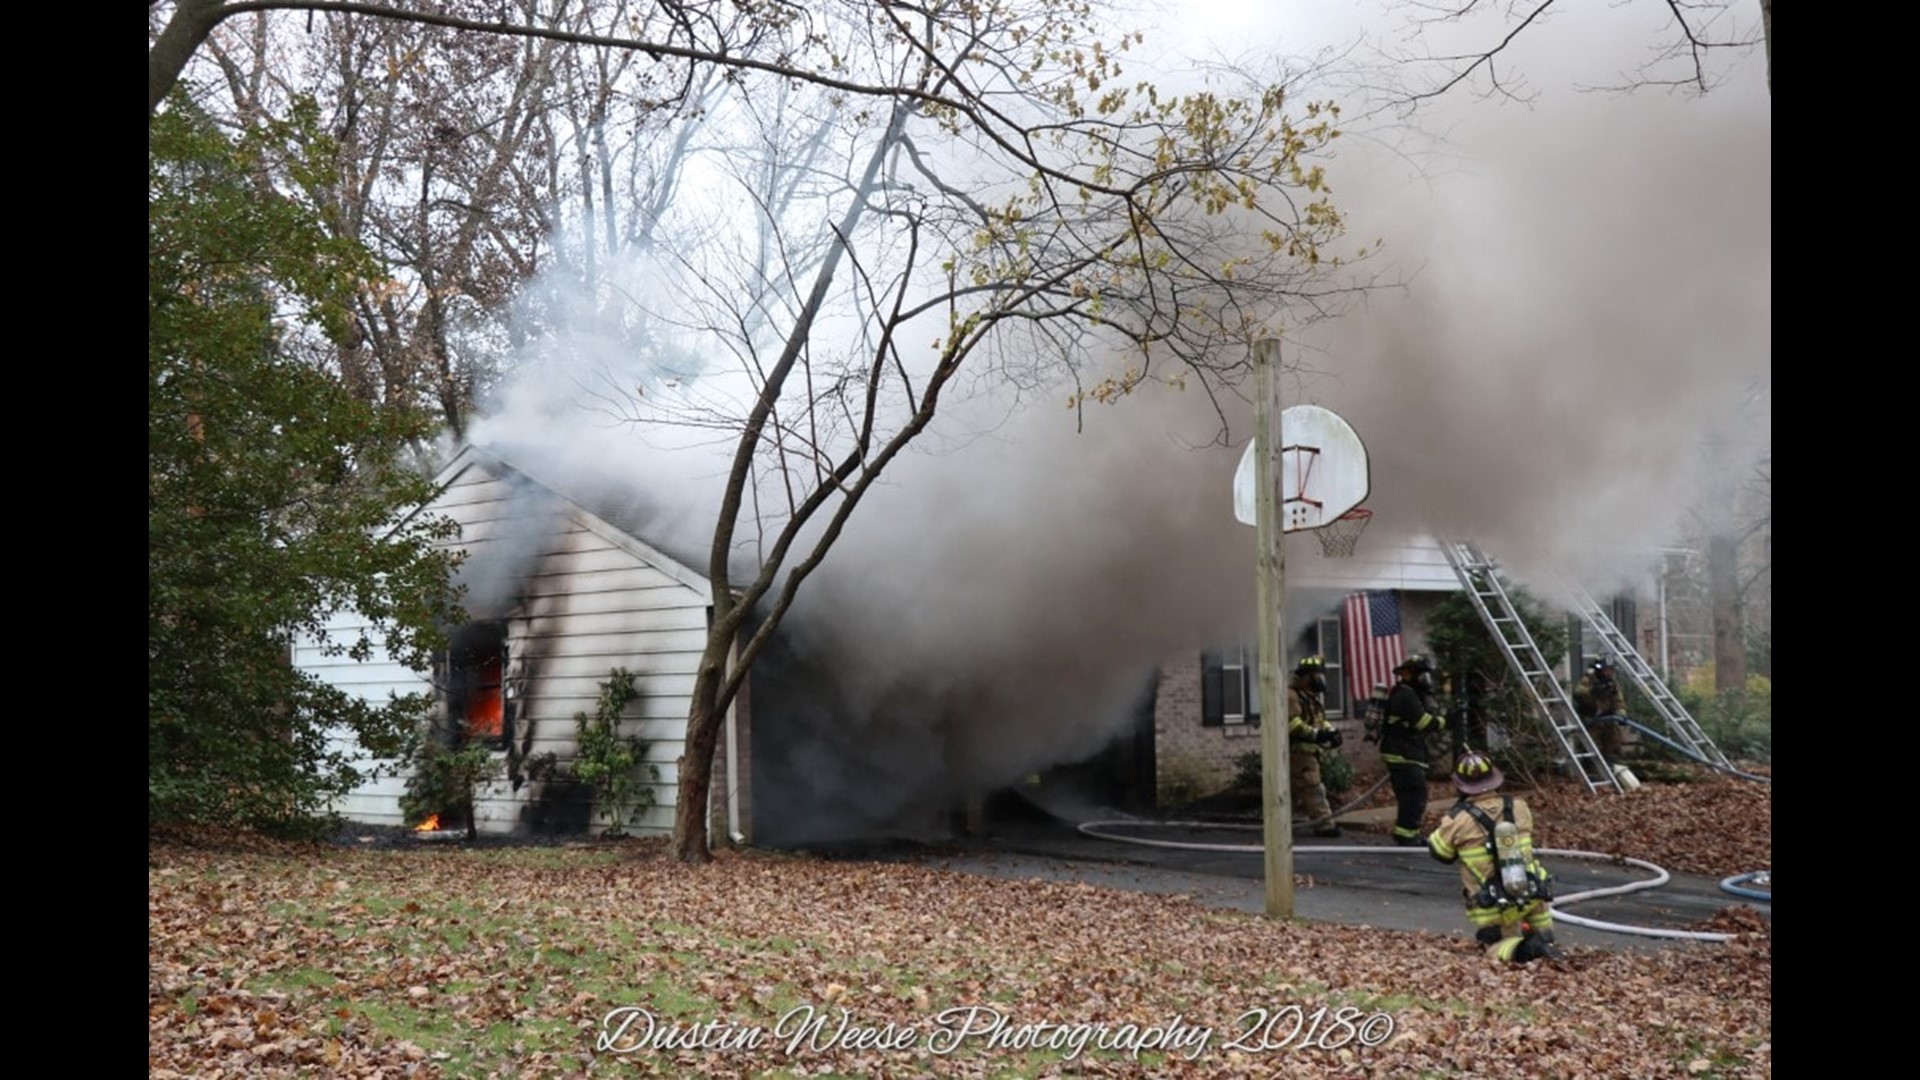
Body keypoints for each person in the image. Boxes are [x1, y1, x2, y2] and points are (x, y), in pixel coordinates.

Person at [1427, 751, 1562, 964]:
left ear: (1460, 784)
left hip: (1492, 903)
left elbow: (1439, 852)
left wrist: (1455, 815)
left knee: (1497, 948)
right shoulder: (1518, 806)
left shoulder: (1458, 819)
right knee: (1539, 920)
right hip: (1533, 889)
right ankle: (1545, 941)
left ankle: (1528, 950)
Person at [1382, 654, 1442, 846]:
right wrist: (1447, 721)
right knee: (1414, 793)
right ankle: (1406, 835)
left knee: (1411, 794)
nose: (1427, 681)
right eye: (1423, 676)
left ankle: (1408, 833)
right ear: (1410, 675)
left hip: (1405, 750)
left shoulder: (1409, 693)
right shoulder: (1405, 695)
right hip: (1401, 752)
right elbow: (1423, 722)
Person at [1287, 656, 1343, 837]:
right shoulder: (1291, 696)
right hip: (1298, 751)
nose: (1321, 680)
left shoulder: (1309, 697)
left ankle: (1281, 823)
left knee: (1296, 789)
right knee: (1313, 788)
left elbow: (1319, 720)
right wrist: (1317, 735)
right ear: (1308, 677)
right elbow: (1293, 724)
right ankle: (1324, 825)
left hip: (1308, 751)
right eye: (1318, 676)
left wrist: (1331, 732)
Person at [1572, 657, 1626, 763]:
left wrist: (1621, 712)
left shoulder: (1612, 683)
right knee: (1591, 746)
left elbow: (1618, 699)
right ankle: (1591, 769)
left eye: (1611, 670)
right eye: (1606, 670)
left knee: (1614, 741)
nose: (1609, 673)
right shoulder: (1589, 679)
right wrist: (1591, 691)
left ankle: (1613, 765)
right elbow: (1577, 691)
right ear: (1600, 670)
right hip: (1591, 719)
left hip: (1608, 719)